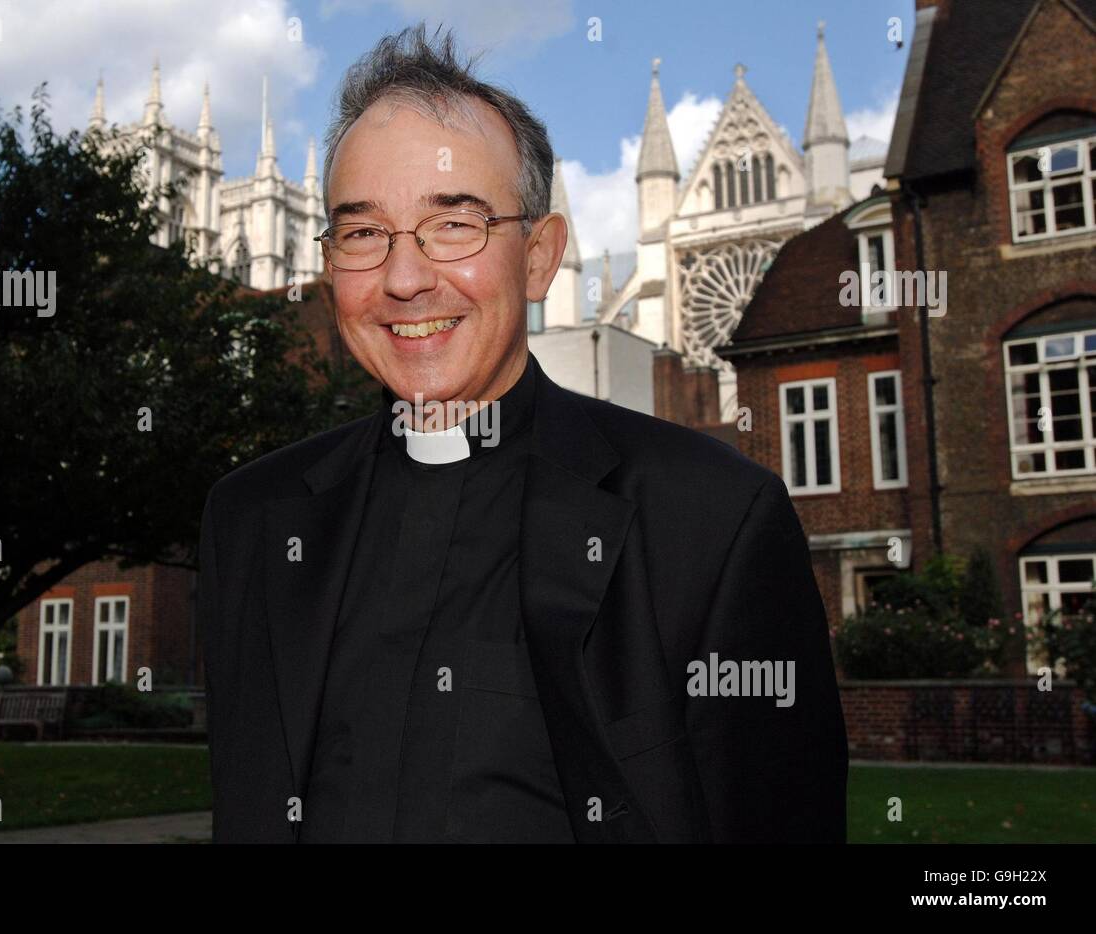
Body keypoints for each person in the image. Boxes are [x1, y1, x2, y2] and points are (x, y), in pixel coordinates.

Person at [198, 23, 848, 843]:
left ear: (540, 259)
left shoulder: (709, 518)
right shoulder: (252, 519)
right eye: (363, 234)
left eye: (454, 225)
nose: (403, 279)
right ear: (329, 263)